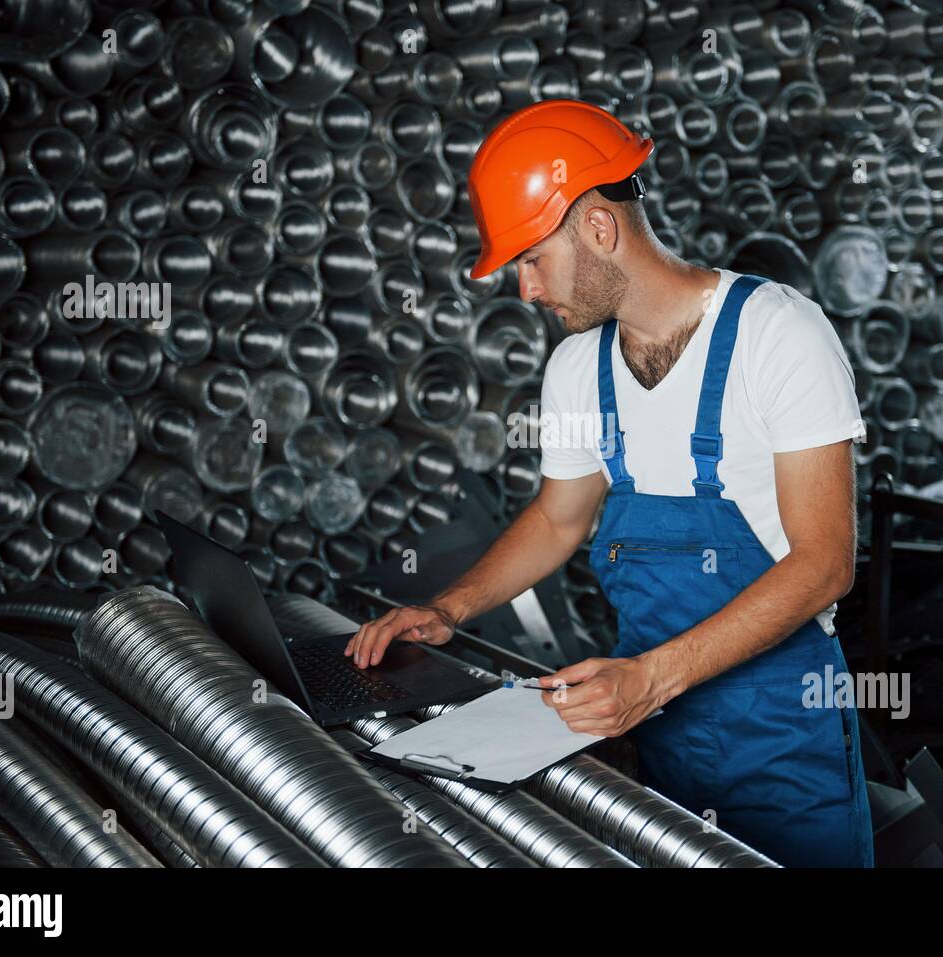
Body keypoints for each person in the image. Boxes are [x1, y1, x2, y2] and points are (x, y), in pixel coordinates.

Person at [347, 99, 873, 867]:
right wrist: (447, 607)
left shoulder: (778, 334)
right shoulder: (575, 370)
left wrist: (652, 679)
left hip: (780, 735)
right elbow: (559, 519)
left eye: (531, 259)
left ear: (598, 229)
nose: (525, 290)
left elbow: (826, 563)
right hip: (655, 734)